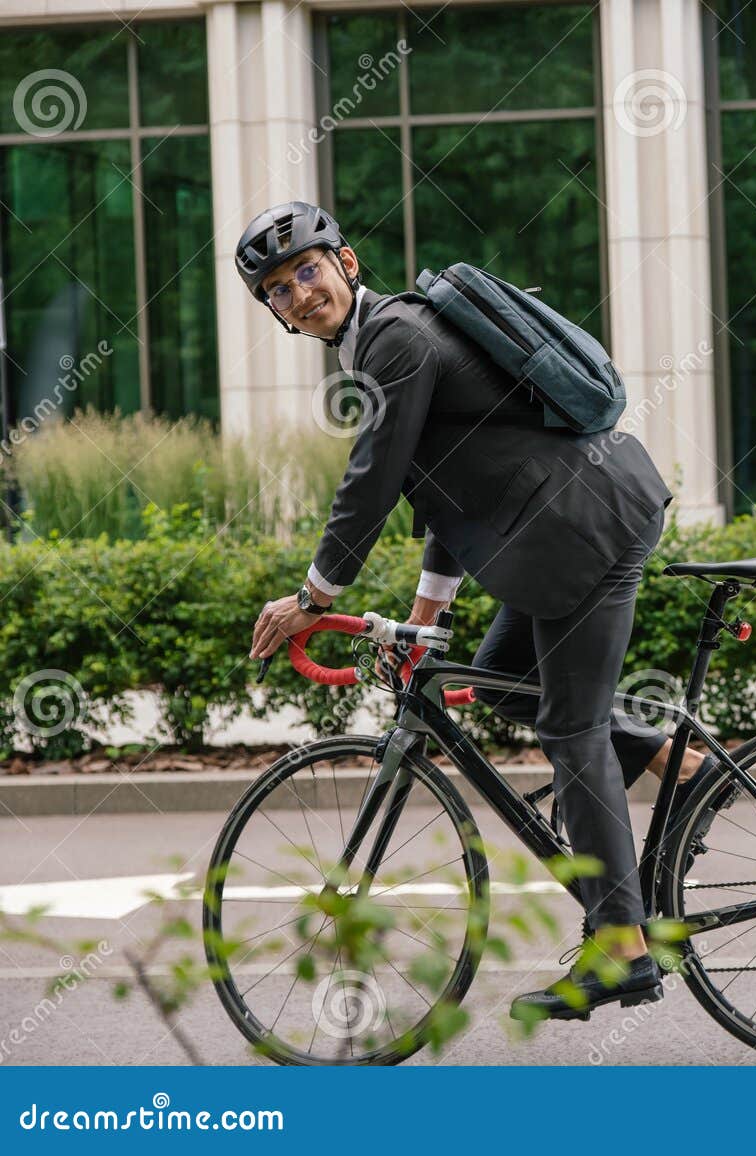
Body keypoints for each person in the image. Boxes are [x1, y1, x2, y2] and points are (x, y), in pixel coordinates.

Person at [237, 201, 706, 1021]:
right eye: (278, 290)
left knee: (570, 728)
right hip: (561, 529)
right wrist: (427, 623)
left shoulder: (394, 340)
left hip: (586, 525)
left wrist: (314, 598)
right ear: (276, 313)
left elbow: (375, 479)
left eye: (307, 270)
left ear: (346, 263)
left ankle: (623, 948)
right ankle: (682, 766)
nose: (300, 294)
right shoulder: (383, 345)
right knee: (494, 682)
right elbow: (447, 497)